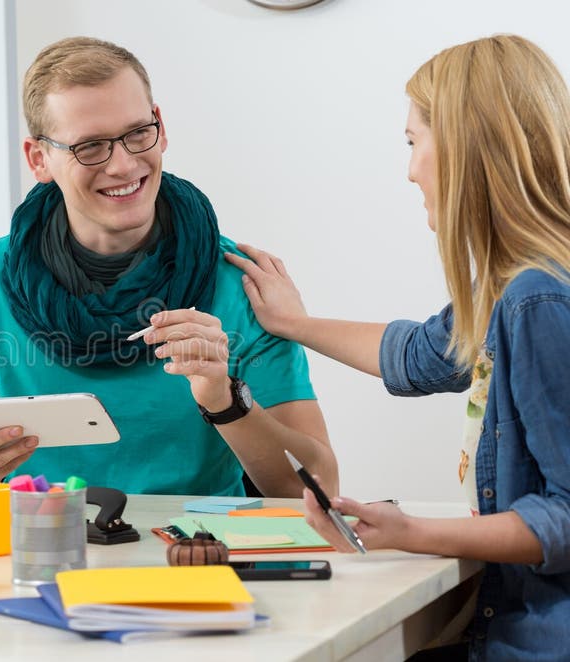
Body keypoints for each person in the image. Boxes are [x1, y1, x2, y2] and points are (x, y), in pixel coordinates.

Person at [230, 35, 570, 660]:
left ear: (467, 149)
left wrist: (410, 532)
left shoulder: (537, 301)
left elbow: (567, 517)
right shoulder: (510, 287)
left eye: (414, 142)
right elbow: (420, 354)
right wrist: (295, 323)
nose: (409, 168)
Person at [0, 36, 338, 497]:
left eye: (138, 133)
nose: (123, 165)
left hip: (199, 556)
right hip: (48, 548)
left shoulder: (240, 280)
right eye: (91, 147)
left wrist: (223, 400)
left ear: (160, 124)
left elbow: (317, 490)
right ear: (39, 159)